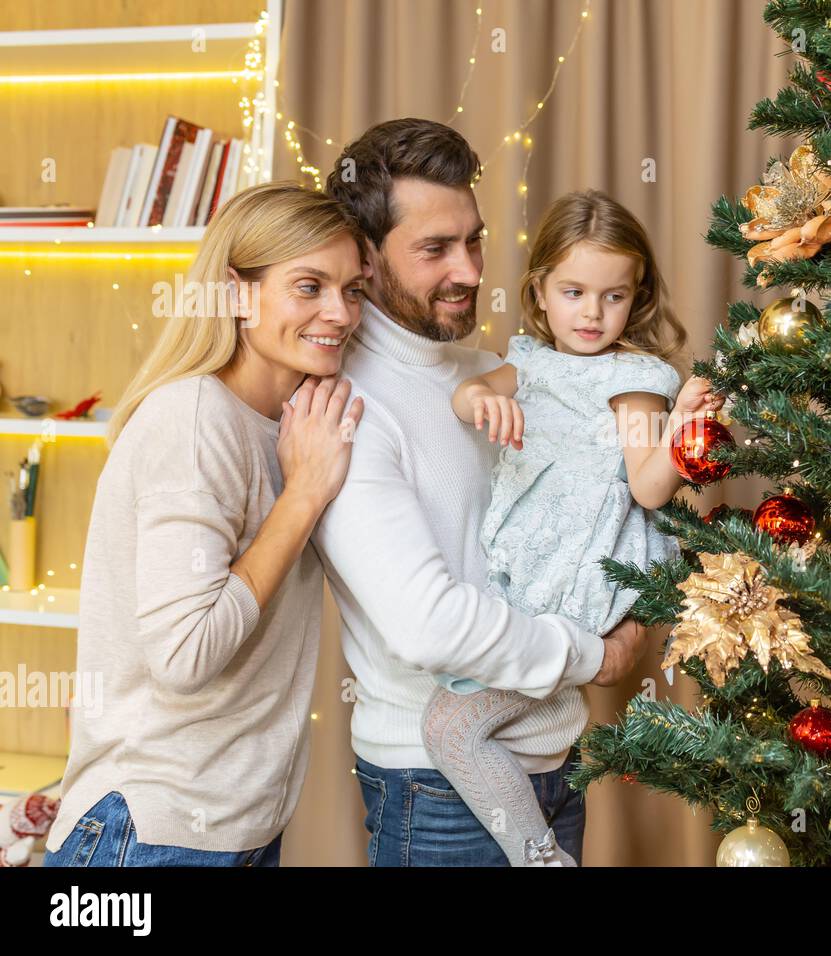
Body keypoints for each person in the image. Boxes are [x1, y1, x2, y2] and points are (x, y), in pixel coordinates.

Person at [316, 119, 654, 866]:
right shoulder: (348, 409)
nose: (470, 270)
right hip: (437, 790)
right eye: (435, 249)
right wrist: (591, 654)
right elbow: (428, 625)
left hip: (554, 764)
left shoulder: (496, 368)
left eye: (473, 239)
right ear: (365, 258)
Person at [43, 182, 366, 866]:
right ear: (236, 293)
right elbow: (184, 656)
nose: (340, 313)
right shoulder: (195, 420)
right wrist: (302, 499)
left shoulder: (292, 424)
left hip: (234, 829)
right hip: (153, 833)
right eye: (309, 286)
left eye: (353, 290)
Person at [422, 189, 721, 865]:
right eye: (574, 291)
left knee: (448, 727)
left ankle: (536, 855)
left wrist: (680, 429)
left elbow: (648, 485)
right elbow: (470, 391)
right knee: (485, 731)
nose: (592, 313)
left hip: (577, 581)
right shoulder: (525, 360)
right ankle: (541, 845)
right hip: (525, 580)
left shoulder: (636, 380)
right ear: (540, 289)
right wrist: (477, 400)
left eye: (613, 296)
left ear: (636, 296)